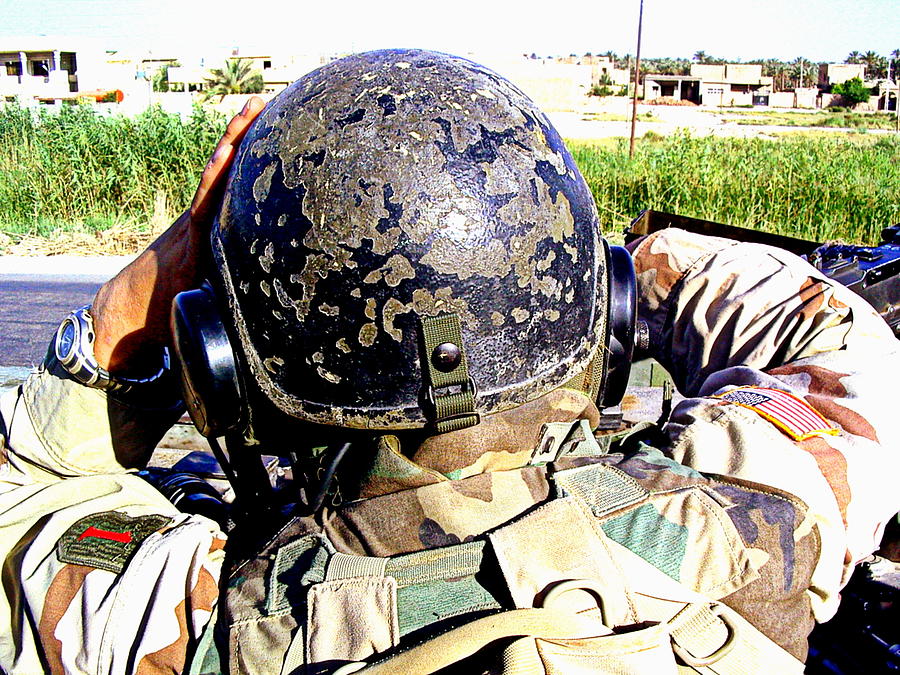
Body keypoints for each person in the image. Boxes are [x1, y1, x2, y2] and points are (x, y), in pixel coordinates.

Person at [0, 49, 897, 675]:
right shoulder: (752, 525)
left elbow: (25, 486)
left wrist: (162, 274)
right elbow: (844, 352)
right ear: (606, 321)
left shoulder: (207, 629)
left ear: (226, 365)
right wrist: (612, 268)